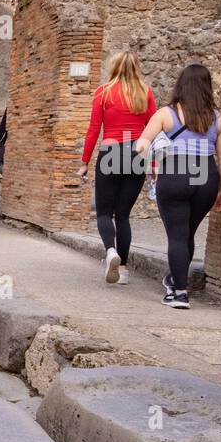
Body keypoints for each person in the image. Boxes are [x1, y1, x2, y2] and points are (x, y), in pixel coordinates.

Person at [136, 63, 221, 310]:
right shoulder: (217, 119)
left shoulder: (166, 114)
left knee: (177, 234)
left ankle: (179, 293)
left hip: (175, 173)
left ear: (180, 85)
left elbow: (142, 144)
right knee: (187, 232)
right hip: (206, 177)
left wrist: (150, 163)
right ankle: (175, 280)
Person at [78, 51, 157, 285]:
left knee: (104, 212)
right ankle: (123, 270)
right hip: (137, 154)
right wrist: (153, 164)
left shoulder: (103, 93)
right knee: (123, 215)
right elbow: (154, 130)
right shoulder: (145, 92)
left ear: (113, 68)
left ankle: (110, 250)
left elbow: (93, 129)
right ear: (136, 68)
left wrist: (84, 162)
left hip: (111, 152)